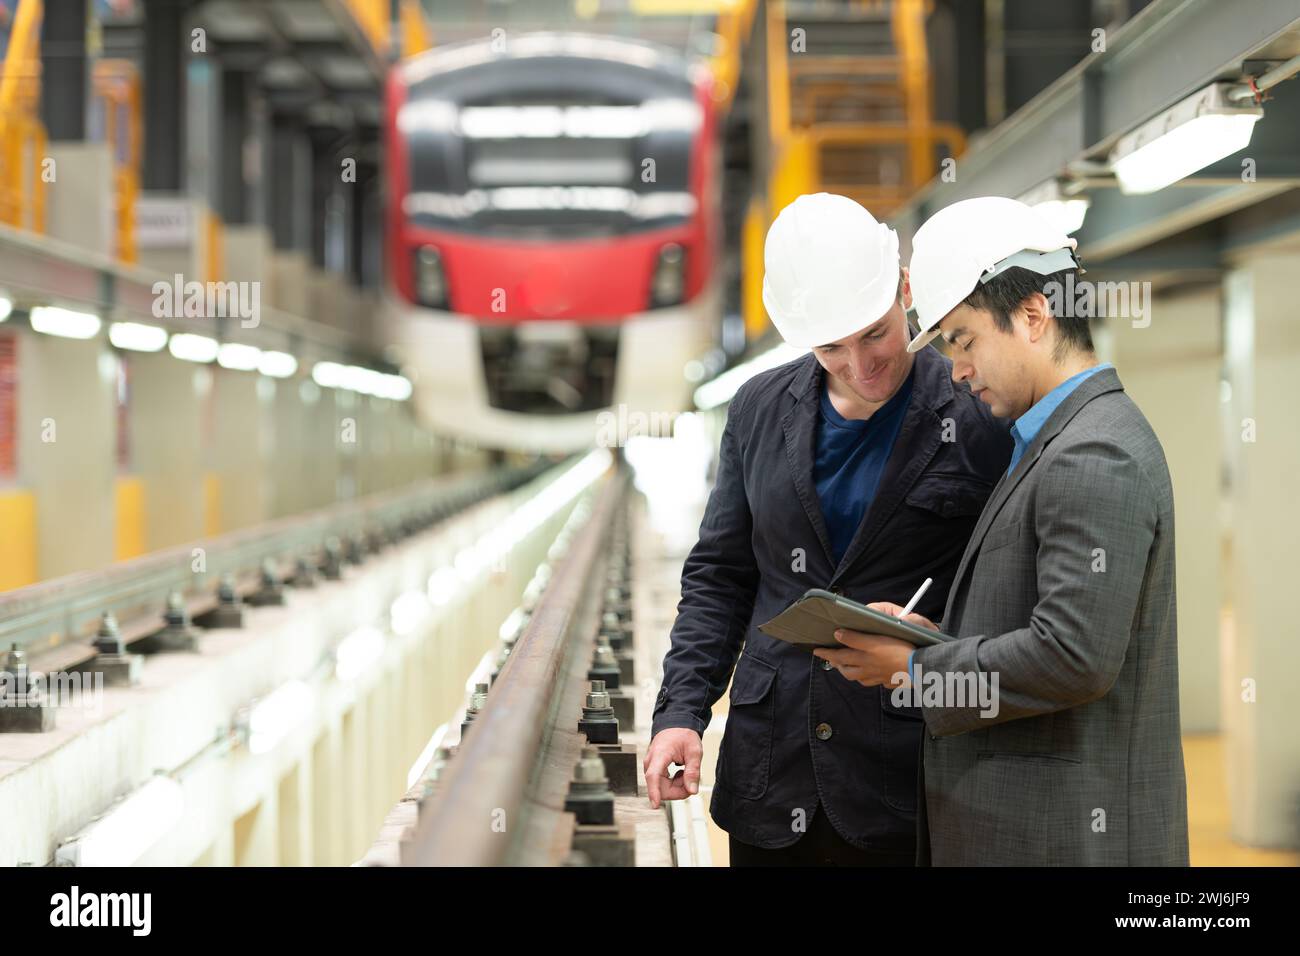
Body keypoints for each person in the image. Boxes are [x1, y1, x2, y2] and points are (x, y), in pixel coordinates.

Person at [815, 196, 1190, 865]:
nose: (957, 371)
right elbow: (1047, 623)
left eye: (963, 341)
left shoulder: (1092, 454)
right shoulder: (1052, 440)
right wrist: (931, 639)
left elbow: (1074, 656)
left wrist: (916, 669)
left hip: (1065, 837)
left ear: (1033, 315)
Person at [645, 192, 1011, 865]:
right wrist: (681, 712)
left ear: (904, 291)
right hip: (769, 769)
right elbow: (722, 576)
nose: (859, 363)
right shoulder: (758, 409)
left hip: (902, 777)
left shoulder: (976, 409)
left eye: (875, 333)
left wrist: (948, 644)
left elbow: (1013, 583)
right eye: (831, 347)